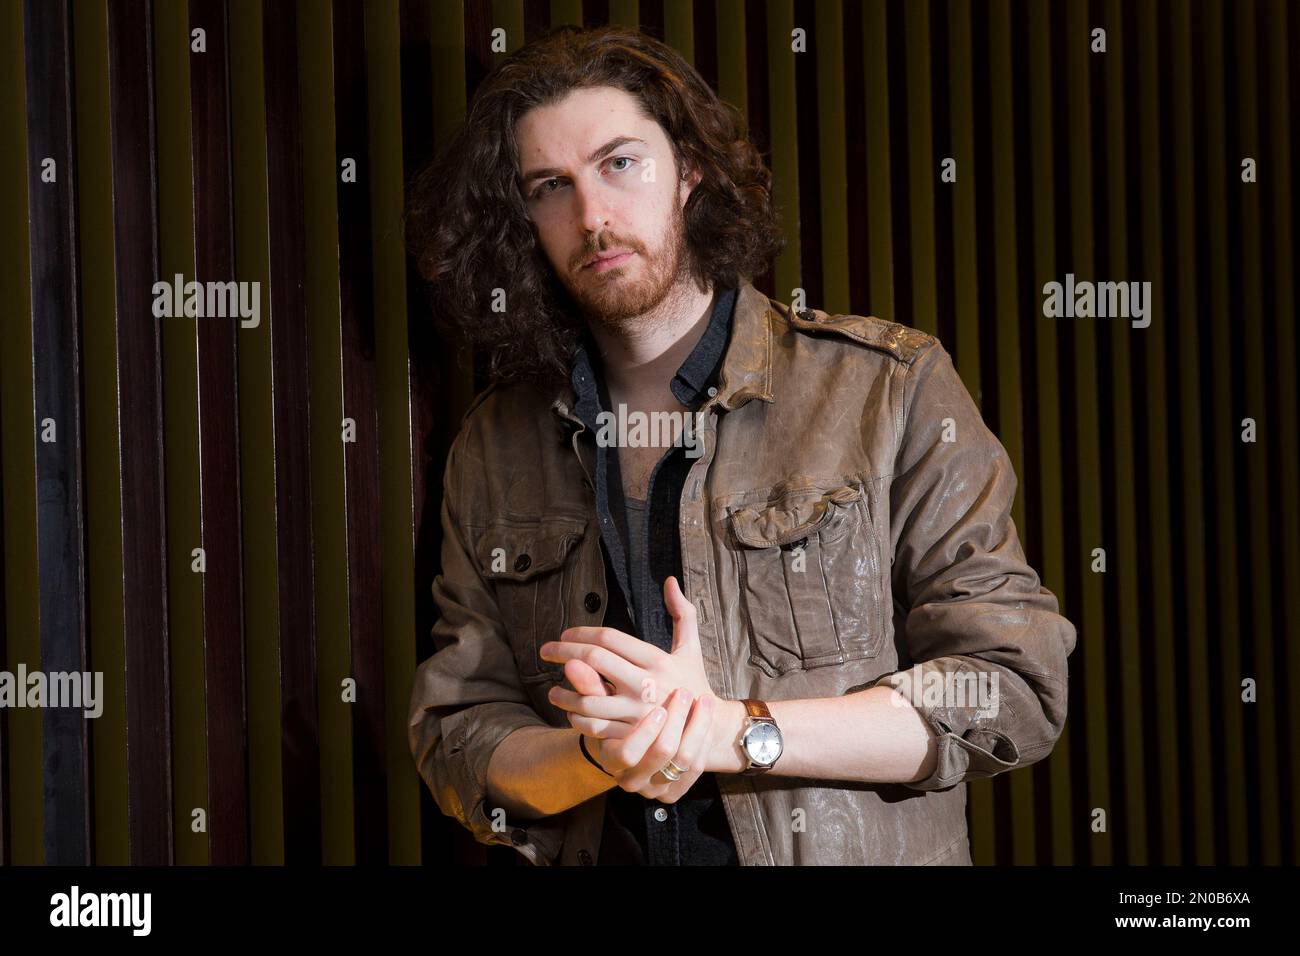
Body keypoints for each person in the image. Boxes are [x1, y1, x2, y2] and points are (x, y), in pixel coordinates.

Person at [404, 24, 1076, 866]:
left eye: (620, 163)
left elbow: (1011, 689)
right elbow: (460, 734)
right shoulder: (495, 445)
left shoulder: (885, 389)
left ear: (687, 170)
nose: (593, 216)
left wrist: (732, 732)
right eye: (551, 185)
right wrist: (597, 758)